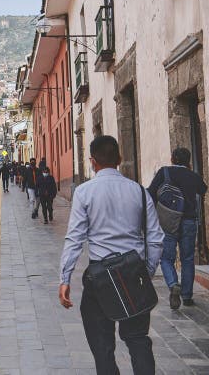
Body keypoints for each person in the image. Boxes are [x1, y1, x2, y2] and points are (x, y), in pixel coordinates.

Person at [59, 135, 164, 375]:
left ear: (92, 161)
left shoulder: (84, 192)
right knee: (138, 340)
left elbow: (75, 239)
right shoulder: (139, 191)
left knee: (102, 345)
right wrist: (144, 272)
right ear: (119, 158)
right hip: (133, 275)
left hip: (100, 279)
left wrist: (65, 279)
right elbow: (156, 239)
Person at [148, 147, 208, 309]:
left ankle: (174, 284)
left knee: (167, 258)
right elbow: (203, 190)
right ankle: (187, 296)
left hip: (168, 220)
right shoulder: (193, 176)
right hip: (188, 221)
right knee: (187, 258)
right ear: (188, 161)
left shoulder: (164, 172)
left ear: (173, 158)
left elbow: (150, 193)